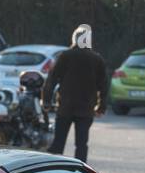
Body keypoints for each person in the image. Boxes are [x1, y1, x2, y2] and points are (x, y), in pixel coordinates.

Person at [42, 23, 108, 163]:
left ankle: (51, 171)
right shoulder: (97, 59)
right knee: (81, 145)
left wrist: (46, 101)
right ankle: (80, 172)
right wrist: (101, 107)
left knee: (58, 144)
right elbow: (104, 86)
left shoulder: (65, 56)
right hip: (86, 109)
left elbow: (52, 79)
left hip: (66, 106)